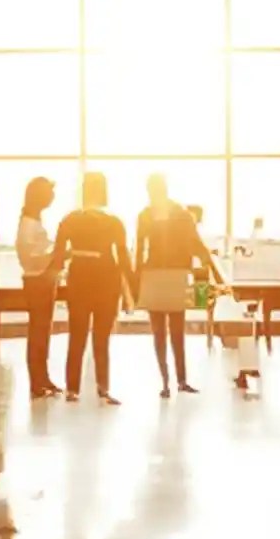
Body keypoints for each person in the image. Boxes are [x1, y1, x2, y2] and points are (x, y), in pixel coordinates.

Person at [47, 172, 136, 405]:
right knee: (102, 338)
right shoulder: (115, 221)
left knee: (77, 334)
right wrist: (133, 289)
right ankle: (103, 388)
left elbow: (57, 256)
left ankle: (73, 389)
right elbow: (124, 257)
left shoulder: (70, 219)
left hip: (80, 278)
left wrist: (50, 278)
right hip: (108, 279)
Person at [135, 174, 226, 398]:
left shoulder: (148, 215)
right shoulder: (179, 214)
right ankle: (177, 380)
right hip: (172, 272)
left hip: (157, 273)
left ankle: (169, 381)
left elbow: (139, 249)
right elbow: (195, 243)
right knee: (175, 329)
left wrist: (136, 279)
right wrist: (214, 271)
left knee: (163, 331)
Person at [16, 176, 63, 399]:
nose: (52, 197)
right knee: (38, 332)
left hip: (44, 279)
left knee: (43, 332)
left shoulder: (34, 219)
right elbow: (29, 254)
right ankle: (37, 381)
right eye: (49, 193)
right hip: (37, 280)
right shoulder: (28, 222)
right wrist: (56, 254)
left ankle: (43, 378)